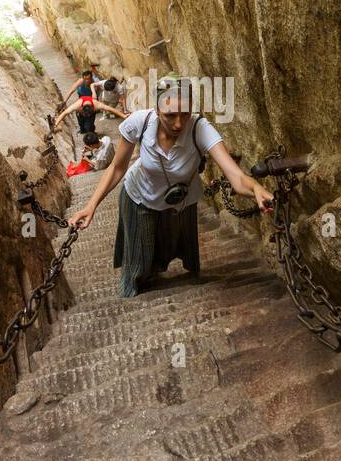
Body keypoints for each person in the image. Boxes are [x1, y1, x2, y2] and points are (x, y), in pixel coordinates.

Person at [70, 77, 273, 298]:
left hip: (180, 203)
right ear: (157, 110)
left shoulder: (200, 128)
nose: (178, 123)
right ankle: (138, 290)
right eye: (170, 115)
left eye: (185, 114)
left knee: (167, 247)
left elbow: (236, 176)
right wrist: (91, 206)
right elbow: (117, 168)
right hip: (141, 196)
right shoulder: (140, 122)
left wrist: (256, 189)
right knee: (139, 258)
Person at [53, 95, 127, 136]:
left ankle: (92, 134)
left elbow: (111, 109)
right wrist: (56, 123)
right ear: (82, 108)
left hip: (91, 114)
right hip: (80, 113)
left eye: (88, 114)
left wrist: (123, 116)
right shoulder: (77, 105)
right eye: (86, 114)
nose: (87, 115)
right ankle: (82, 130)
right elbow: (65, 113)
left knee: (88, 126)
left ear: (93, 108)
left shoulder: (96, 104)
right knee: (81, 124)